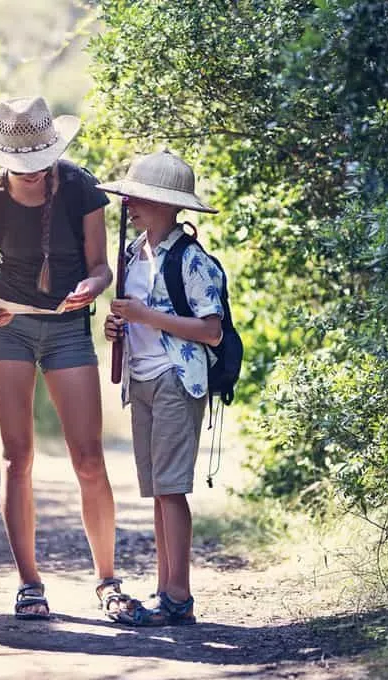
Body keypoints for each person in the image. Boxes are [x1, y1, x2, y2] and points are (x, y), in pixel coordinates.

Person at [0, 96, 134, 620]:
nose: (31, 173)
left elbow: (102, 267)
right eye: (21, 164)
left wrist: (92, 285)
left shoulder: (79, 186)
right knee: (18, 457)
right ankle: (30, 583)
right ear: (5, 158)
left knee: (88, 457)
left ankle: (107, 579)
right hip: (7, 329)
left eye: (40, 162)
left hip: (67, 329)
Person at [99, 150, 223, 626]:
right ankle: (164, 589)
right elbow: (134, 318)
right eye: (131, 197)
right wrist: (118, 330)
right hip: (142, 379)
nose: (132, 205)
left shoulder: (192, 261)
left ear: (172, 207)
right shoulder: (134, 255)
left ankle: (178, 595)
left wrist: (144, 316)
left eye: (144, 199)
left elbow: (211, 330)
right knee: (157, 490)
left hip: (176, 378)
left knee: (171, 490)